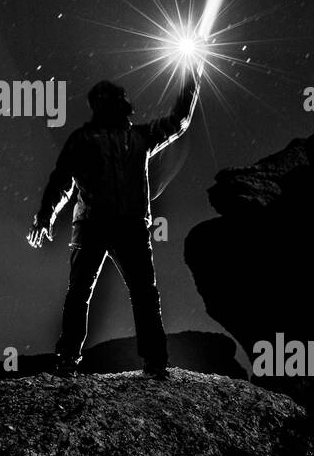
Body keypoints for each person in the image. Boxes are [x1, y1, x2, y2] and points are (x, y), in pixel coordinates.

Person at [27, 66, 202, 378]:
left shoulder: (136, 137)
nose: (128, 103)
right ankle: (72, 358)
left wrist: (192, 75)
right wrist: (45, 215)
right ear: (105, 103)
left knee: (137, 293)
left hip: (121, 226)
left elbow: (179, 121)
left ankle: (153, 361)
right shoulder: (93, 139)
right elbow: (62, 182)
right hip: (101, 226)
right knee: (90, 292)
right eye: (121, 98)